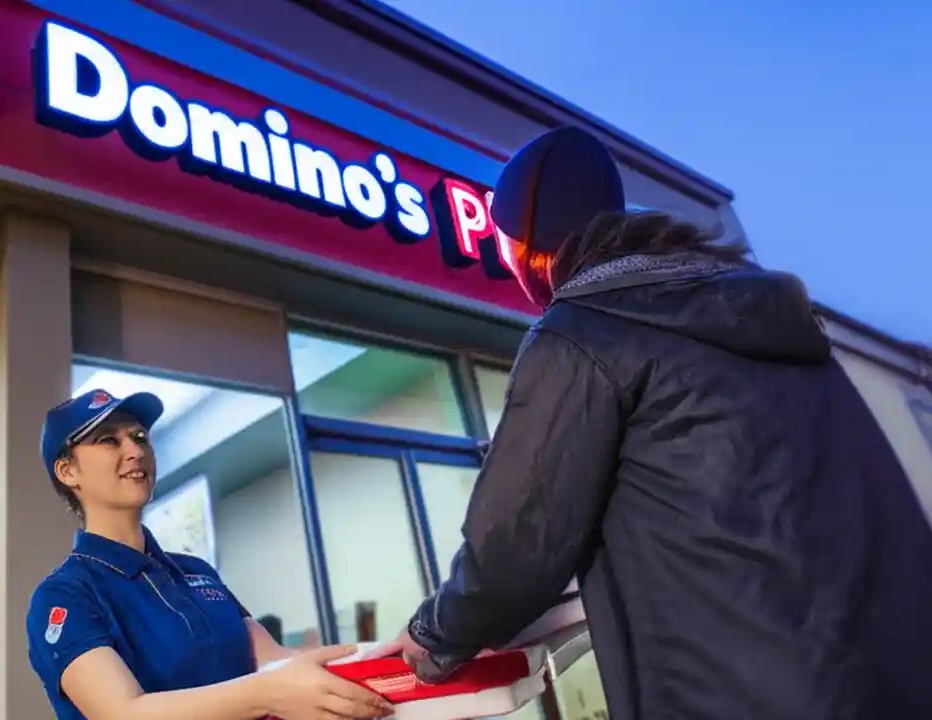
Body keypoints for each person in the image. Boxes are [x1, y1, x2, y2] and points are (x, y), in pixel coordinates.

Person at [393, 126, 932, 719]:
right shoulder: (782, 335)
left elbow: (521, 541)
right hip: (888, 676)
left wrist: (434, 634)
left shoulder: (582, 334)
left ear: (532, 240)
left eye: (506, 241)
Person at [26, 388, 393, 720]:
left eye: (139, 437)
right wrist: (266, 694)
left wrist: (383, 656)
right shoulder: (66, 595)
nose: (135, 450)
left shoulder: (196, 572)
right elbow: (124, 713)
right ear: (67, 470)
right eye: (109, 440)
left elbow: (275, 663)